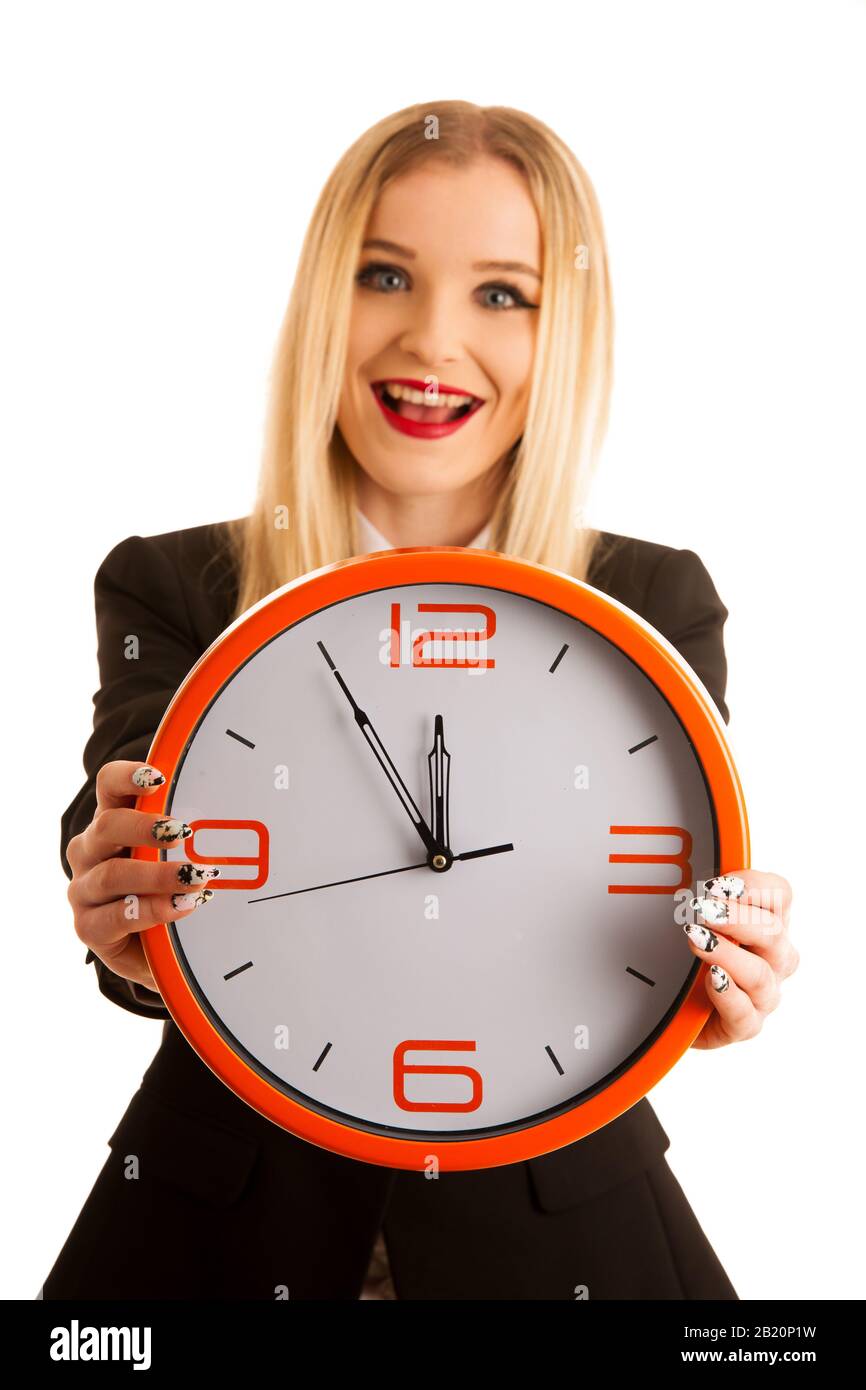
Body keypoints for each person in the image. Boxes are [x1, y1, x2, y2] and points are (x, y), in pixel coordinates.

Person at [43, 100, 797, 1301]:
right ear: (319, 302)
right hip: (217, 1226)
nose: (432, 339)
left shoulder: (653, 598)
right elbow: (132, 812)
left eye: (502, 292)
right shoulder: (174, 581)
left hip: (563, 1232)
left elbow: (659, 894)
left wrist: (716, 972)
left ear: (566, 336)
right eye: (383, 275)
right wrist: (126, 914)